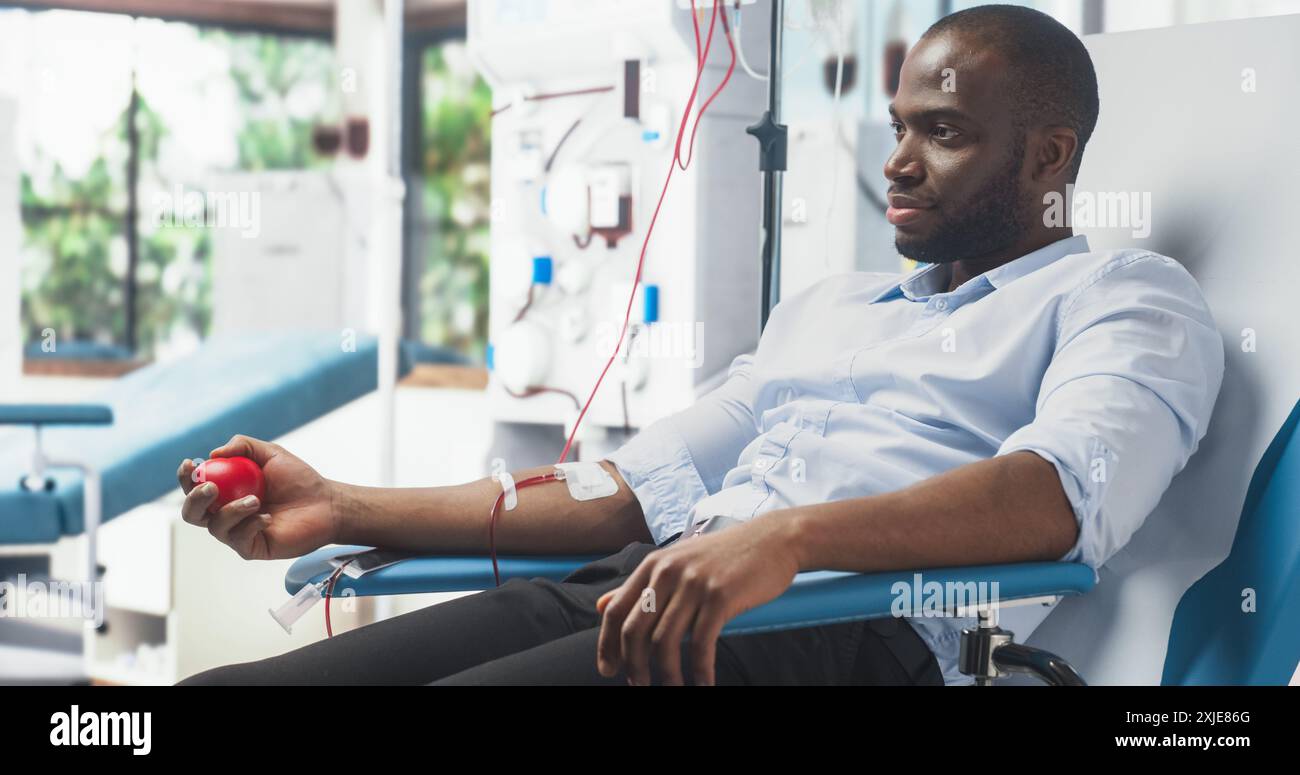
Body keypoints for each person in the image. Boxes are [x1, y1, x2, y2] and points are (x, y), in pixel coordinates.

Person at [179, 5, 1224, 686]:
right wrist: (344, 505)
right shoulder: (831, 308)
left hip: (848, 630)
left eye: (941, 134)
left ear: (1049, 155)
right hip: (651, 579)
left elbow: (1053, 498)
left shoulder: (1125, 299)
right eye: (899, 125)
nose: (898, 162)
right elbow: (630, 490)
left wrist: (787, 540)